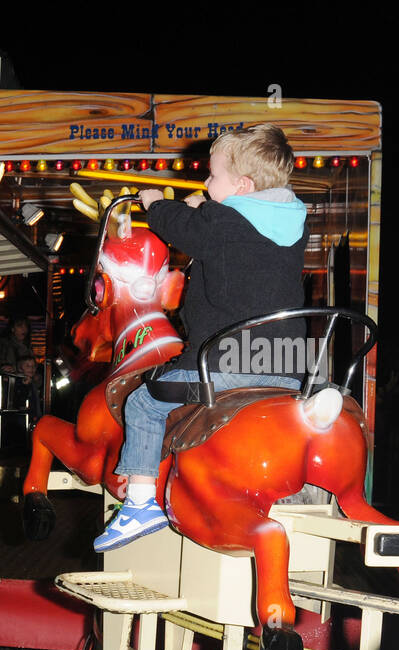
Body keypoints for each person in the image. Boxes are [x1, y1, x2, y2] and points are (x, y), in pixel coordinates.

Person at [94, 123, 309, 551]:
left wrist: (157, 204)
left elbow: (186, 228)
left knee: (143, 402)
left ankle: (139, 504)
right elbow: (232, 236)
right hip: (288, 367)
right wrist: (206, 203)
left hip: (227, 363)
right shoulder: (293, 223)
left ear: (243, 185)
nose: (206, 184)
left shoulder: (220, 220)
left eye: (212, 177)